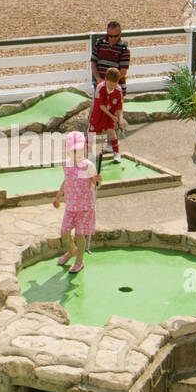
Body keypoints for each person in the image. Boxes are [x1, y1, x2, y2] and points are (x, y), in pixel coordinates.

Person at [53, 131, 101, 274]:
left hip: (85, 207)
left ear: (85, 148)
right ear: (68, 150)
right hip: (71, 206)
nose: (77, 152)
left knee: (80, 235)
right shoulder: (66, 164)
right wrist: (57, 197)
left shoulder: (88, 165)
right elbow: (67, 181)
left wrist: (99, 180)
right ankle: (71, 251)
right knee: (64, 233)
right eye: (74, 150)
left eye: (80, 149)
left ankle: (79, 261)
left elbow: (95, 184)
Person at [88, 66, 125, 161]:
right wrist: (113, 117)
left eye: (114, 84)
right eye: (110, 84)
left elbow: (119, 106)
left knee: (111, 131)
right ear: (106, 79)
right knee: (91, 132)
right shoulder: (100, 87)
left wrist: (120, 118)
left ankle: (116, 153)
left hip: (111, 113)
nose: (112, 86)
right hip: (98, 113)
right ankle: (88, 154)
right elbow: (101, 106)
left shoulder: (118, 90)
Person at [91, 20, 129, 92]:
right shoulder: (99, 43)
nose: (113, 38)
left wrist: (110, 83)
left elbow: (123, 71)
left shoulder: (124, 48)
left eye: (116, 36)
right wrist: (99, 79)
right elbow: (93, 63)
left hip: (116, 87)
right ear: (107, 33)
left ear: (120, 34)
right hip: (99, 86)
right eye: (110, 36)